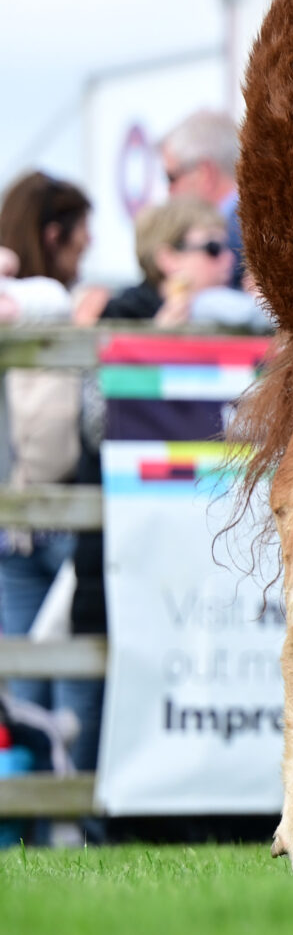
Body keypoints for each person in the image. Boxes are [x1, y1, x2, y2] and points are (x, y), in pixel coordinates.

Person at [0, 171, 104, 811]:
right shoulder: (49, 304)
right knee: (31, 689)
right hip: (26, 522)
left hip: (52, 521)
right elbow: (41, 302)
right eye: (80, 242)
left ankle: (60, 821)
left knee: (52, 684)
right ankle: (37, 820)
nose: (85, 257)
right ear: (53, 235)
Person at [102, 198, 268, 329]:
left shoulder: (231, 298)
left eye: (228, 247)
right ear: (169, 259)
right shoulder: (122, 312)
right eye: (213, 248)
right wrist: (158, 338)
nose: (229, 258)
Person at [160, 109, 242, 287]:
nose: (169, 192)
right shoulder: (261, 223)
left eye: (171, 178)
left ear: (205, 174)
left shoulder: (237, 237)